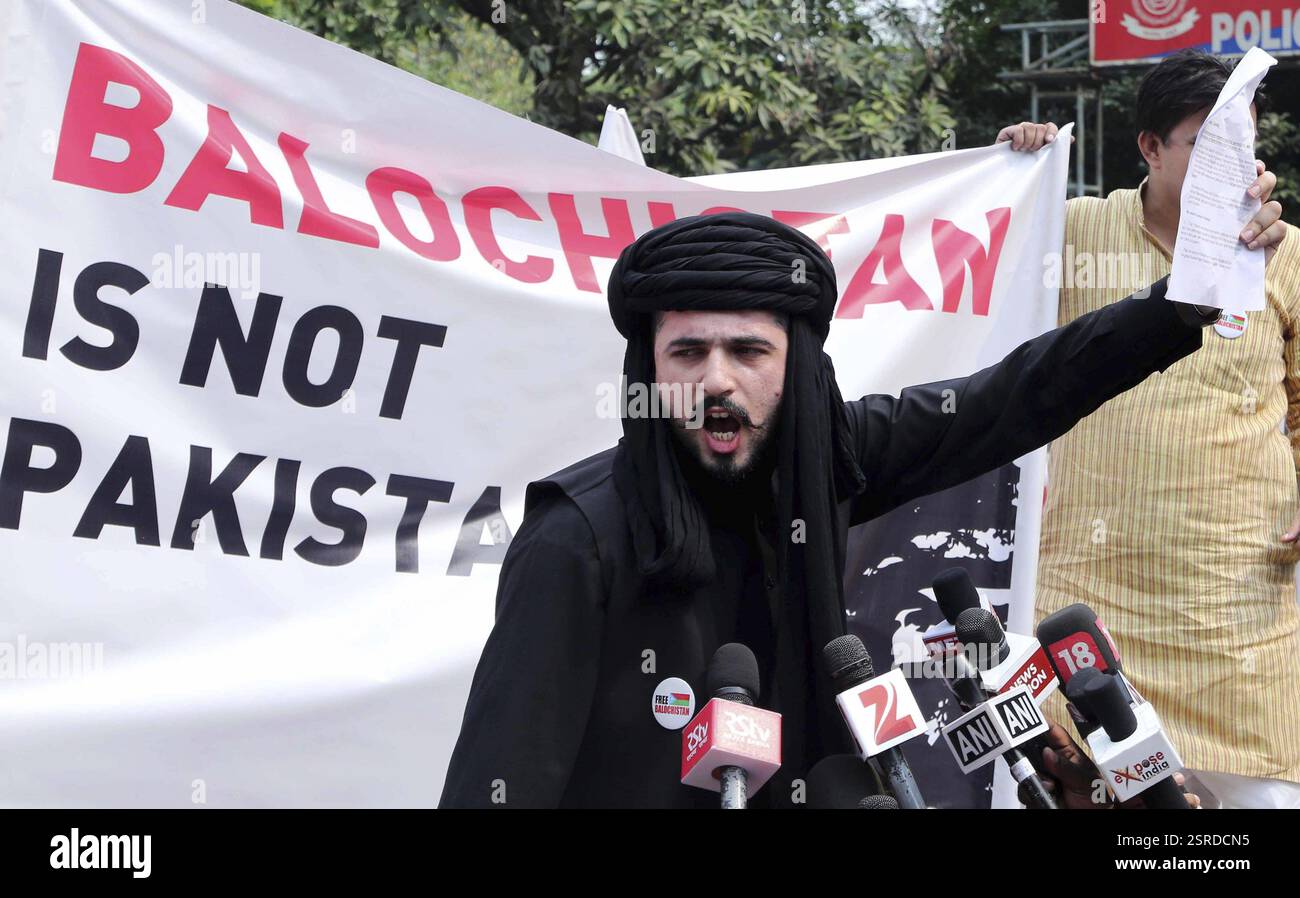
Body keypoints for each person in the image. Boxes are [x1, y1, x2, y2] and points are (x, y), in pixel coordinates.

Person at [438, 202, 1271, 808]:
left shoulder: (825, 461)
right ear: (649, 372)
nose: (717, 379)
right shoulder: (574, 540)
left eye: (747, 350)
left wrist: (1180, 304)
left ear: (796, 367)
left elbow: (1014, 396)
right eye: (687, 351)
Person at [1000, 50, 1300, 809]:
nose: (1229, 164)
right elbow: (964, 263)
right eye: (1205, 143)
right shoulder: (1067, 233)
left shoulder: (1282, 253)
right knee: (1088, 788)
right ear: (1150, 148)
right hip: (1093, 597)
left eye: (1241, 143)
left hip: (1237, 607)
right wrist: (1014, 172)